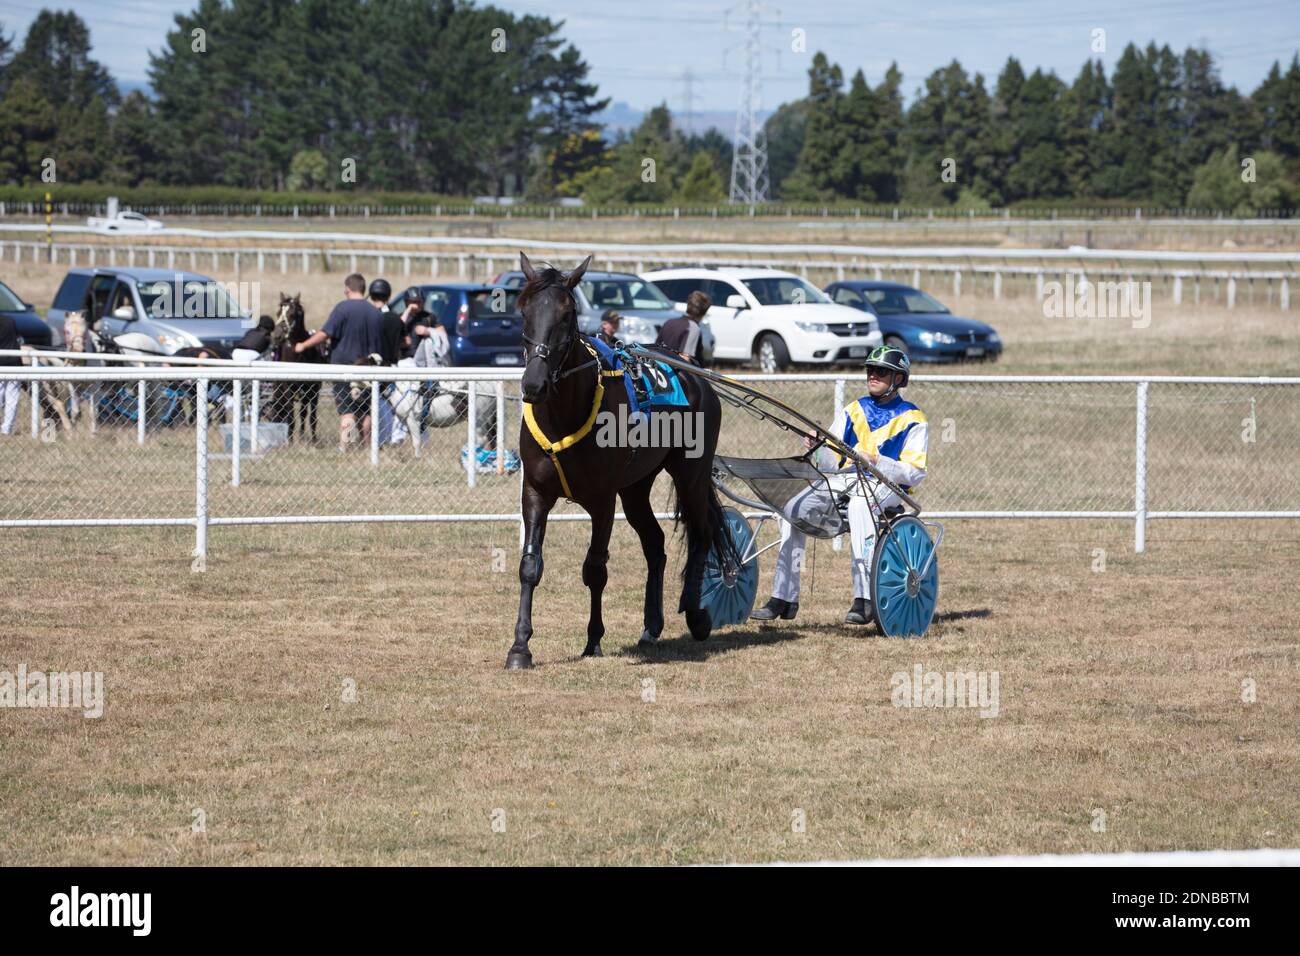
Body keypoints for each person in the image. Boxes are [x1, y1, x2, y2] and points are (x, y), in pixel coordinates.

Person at [750, 346, 928, 625]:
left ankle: (864, 599)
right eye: (870, 370)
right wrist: (816, 445)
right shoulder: (853, 409)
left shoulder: (913, 418)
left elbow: (915, 473)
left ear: (898, 379)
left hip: (887, 487)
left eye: (881, 371)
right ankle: (783, 597)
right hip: (845, 480)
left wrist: (877, 461)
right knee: (792, 508)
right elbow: (830, 463)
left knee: (859, 505)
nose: (873, 375)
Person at [295, 273, 383, 449]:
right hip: (368, 368)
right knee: (366, 412)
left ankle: (346, 447)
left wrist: (303, 346)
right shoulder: (374, 312)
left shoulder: (342, 309)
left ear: (347, 289)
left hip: (344, 368)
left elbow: (325, 333)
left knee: (347, 411)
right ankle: (368, 448)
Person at [655, 290, 707, 364]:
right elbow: (685, 358)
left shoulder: (669, 322)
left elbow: (656, 349)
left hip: (661, 370)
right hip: (676, 373)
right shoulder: (693, 328)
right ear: (704, 312)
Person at [0, 312, 21, 435]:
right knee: (12, 399)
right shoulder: (10, 320)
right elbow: (18, 339)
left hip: (1, 363)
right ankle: (7, 429)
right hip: (14, 362)